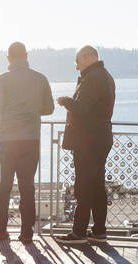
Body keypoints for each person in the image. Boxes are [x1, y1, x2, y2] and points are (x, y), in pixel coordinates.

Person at [0, 41, 54, 243]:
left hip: (6, 142)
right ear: (26, 55)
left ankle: (0, 231)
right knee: (27, 187)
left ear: (8, 58)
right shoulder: (40, 79)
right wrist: (32, 110)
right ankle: (26, 233)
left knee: (2, 188)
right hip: (30, 141)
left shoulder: (2, 80)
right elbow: (49, 108)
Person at [56, 46, 115, 244]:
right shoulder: (105, 76)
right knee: (97, 186)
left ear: (89, 57)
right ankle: (99, 230)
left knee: (84, 186)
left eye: (77, 60)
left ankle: (78, 233)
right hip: (100, 137)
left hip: (89, 140)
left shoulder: (93, 78)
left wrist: (65, 100)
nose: (76, 65)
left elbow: (82, 108)